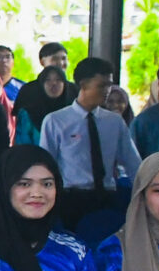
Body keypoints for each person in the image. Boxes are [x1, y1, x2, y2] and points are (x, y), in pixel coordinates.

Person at [37, 57, 138, 223]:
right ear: (83, 85)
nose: (107, 90)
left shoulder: (114, 122)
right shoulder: (56, 121)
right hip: (72, 199)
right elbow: (47, 166)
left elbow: (132, 162)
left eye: (109, 84)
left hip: (108, 196)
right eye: (101, 86)